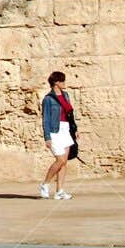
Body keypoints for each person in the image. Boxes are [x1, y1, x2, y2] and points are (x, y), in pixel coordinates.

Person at [40, 70, 76, 200]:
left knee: (64, 162)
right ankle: (45, 184)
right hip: (54, 130)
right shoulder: (48, 99)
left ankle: (59, 191)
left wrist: (75, 128)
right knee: (60, 160)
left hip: (66, 129)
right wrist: (47, 137)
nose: (64, 83)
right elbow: (45, 119)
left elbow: (70, 114)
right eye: (62, 81)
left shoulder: (66, 95)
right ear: (56, 83)